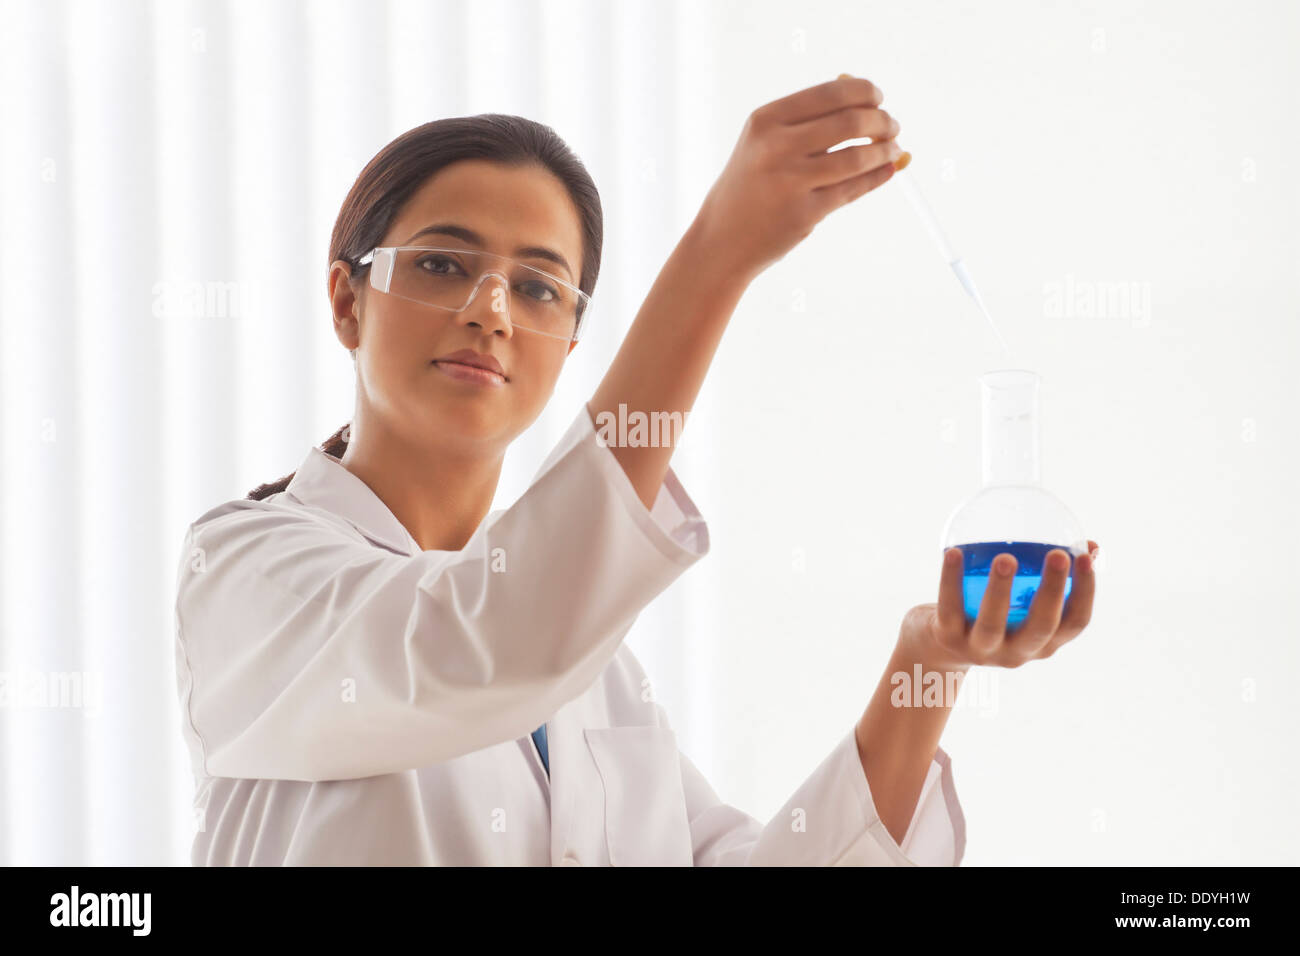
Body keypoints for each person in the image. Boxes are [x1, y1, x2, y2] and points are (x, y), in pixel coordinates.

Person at [173, 75, 1099, 866]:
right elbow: (482, 640)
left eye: (538, 286)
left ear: (573, 343)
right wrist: (717, 258)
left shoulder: (597, 680)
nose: (490, 310)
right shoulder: (248, 574)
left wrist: (926, 663)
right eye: (444, 264)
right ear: (347, 301)